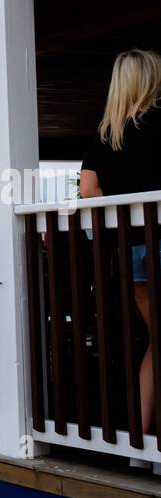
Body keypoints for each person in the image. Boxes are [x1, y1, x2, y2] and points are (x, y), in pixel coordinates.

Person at [81, 48, 161, 437]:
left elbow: (88, 190)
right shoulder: (159, 121)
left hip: (131, 251)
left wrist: (111, 238)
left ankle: (141, 441)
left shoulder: (105, 132)